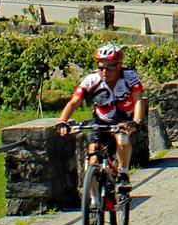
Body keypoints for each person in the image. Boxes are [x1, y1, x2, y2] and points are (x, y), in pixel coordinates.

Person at [55, 44, 147, 191]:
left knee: (122, 138)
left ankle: (123, 173)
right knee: (91, 161)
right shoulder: (92, 80)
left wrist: (136, 121)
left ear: (118, 66)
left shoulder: (129, 77)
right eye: (101, 67)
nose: (104, 72)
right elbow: (74, 102)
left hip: (124, 118)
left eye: (109, 68)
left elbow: (138, 100)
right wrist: (62, 121)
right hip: (101, 119)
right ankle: (93, 202)